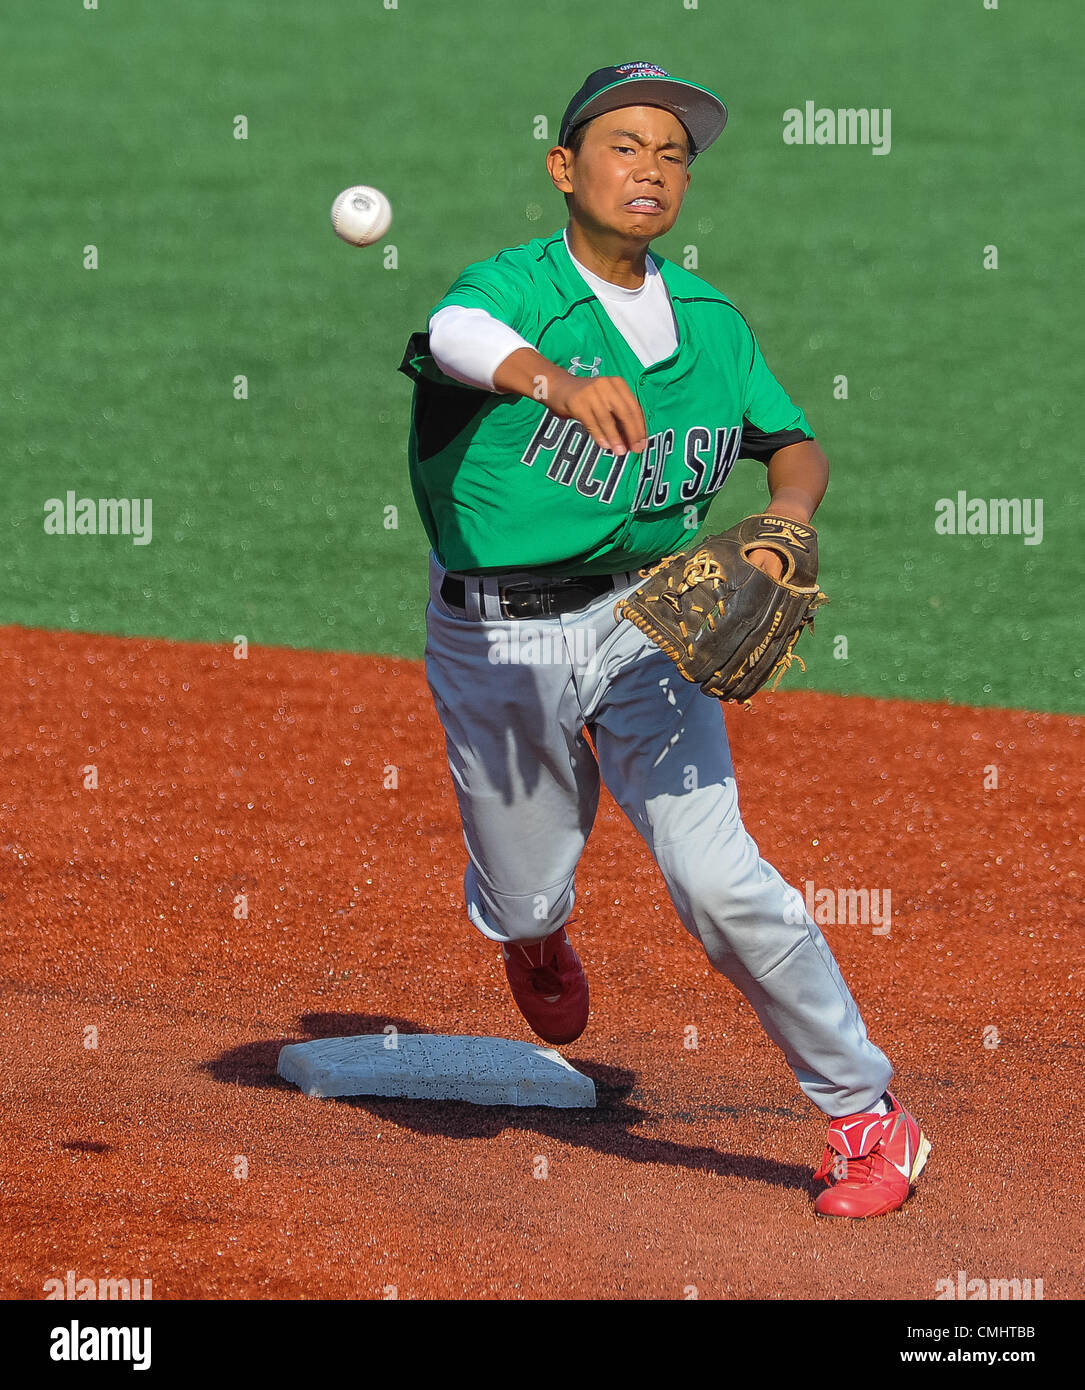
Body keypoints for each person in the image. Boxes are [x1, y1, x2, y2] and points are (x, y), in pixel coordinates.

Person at [397, 61, 929, 1218]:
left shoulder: (711, 324)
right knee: (528, 895)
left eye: (673, 153)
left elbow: (791, 443)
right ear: (563, 168)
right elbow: (451, 332)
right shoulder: (513, 292)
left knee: (721, 881)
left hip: (648, 625)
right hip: (499, 643)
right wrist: (549, 381)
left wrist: (786, 518)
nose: (650, 168)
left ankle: (865, 1113)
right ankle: (534, 940)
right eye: (624, 145)